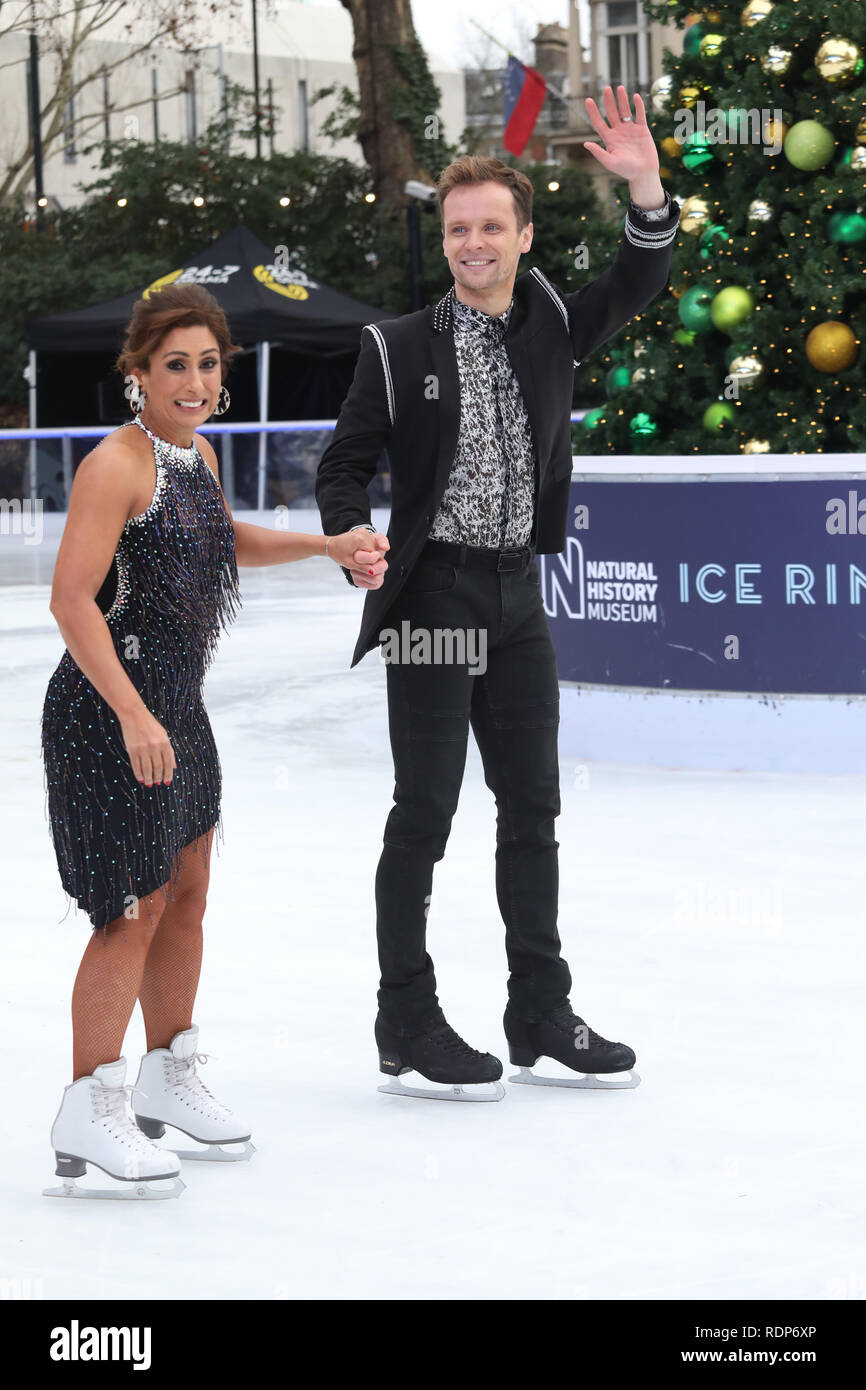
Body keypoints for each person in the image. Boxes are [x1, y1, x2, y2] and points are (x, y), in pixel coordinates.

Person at [316, 86, 680, 1100]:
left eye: (489, 227)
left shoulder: (553, 322)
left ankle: (538, 1010)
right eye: (456, 227)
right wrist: (349, 529)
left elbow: (639, 275)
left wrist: (643, 184)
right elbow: (345, 464)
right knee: (423, 808)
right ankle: (405, 1014)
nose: (471, 242)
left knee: (531, 806)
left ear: (521, 235)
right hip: (432, 599)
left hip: (517, 599)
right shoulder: (396, 346)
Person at [42, 282, 381, 1197]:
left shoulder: (196, 459)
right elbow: (72, 599)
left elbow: (220, 543)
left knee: (188, 892)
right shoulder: (114, 465)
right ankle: (88, 1102)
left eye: (207, 364)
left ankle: (167, 1074)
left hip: (176, 705)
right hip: (108, 710)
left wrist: (327, 548)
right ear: (138, 372)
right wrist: (132, 712)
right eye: (175, 365)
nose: (193, 382)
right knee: (131, 909)